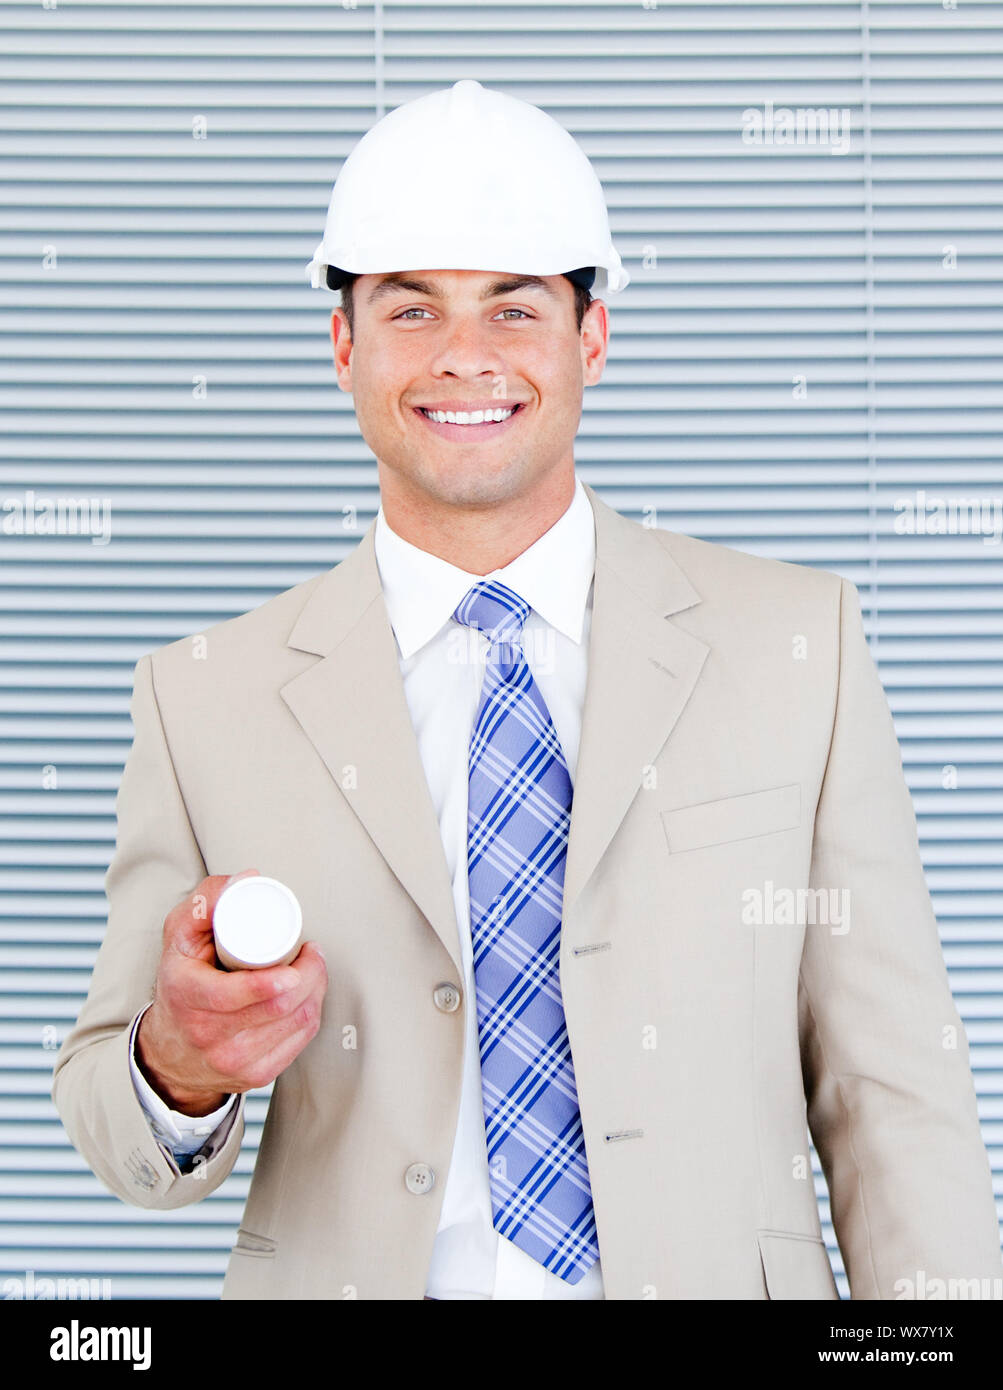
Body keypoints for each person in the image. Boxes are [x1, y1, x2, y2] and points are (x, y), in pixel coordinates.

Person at [53, 80, 1001, 1301]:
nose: (465, 356)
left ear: (589, 340)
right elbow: (118, 1130)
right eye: (411, 309)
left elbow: (893, 1090)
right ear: (342, 345)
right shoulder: (203, 699)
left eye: (515, 307)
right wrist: (177, 1062)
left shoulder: (794, 649)